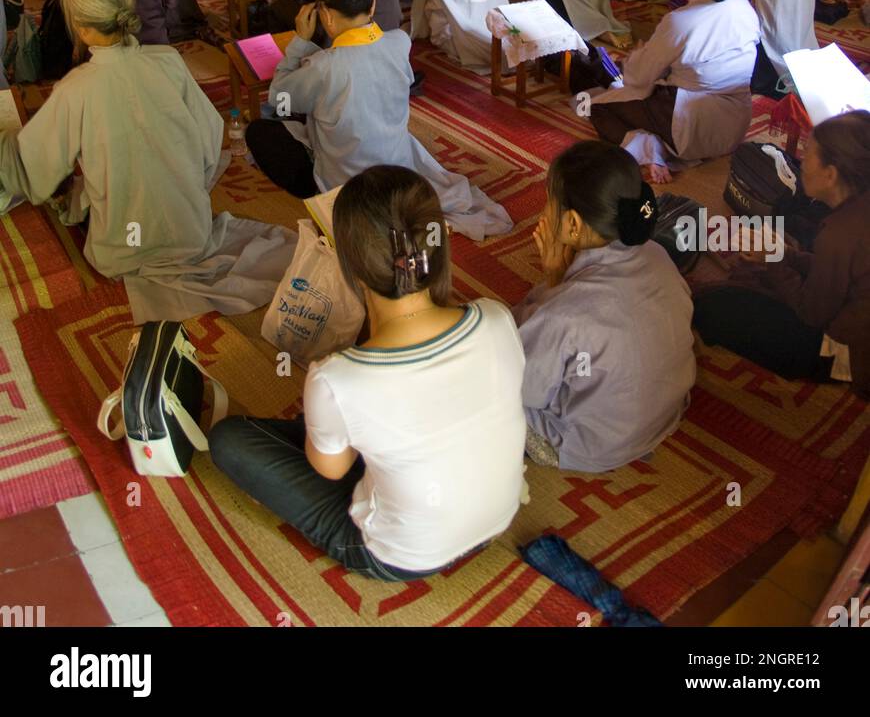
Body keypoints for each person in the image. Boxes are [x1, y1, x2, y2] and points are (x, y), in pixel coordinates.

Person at [210, 165, 526, 580]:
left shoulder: (335, 379)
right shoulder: (496, 316)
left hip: (401, 556)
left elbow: (332, 470)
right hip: (495, 519)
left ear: (351, 266)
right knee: (351, 419)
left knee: (229, 440)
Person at [0, 0, 292, 323]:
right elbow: (209, 143)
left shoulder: (74, 89)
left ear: (80, 27)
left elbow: (32, 170)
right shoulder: (169, 60)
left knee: (67, 188)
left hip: (121, 251)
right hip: (192, 231)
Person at [246, 0, 512, 240]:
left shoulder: (322, 66)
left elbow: (280, 99)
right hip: (395, 166)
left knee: (260, 131)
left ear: (324, 15)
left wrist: (301, 42)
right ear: (372, 6)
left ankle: (319, 194)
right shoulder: (399, 42)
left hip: (346, 185)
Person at [513, 142, 695, 472]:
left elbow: (523, 388)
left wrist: (554, 280)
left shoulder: (563, 313)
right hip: (666, 414)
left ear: (571, 225)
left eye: (549, 204)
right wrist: (558, 284)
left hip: (594, 446)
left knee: (481, 386)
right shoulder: (657, 254)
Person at [693, 112, 870, 394]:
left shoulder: (839, 235)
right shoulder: (854, 213)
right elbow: (845, 270)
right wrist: (785, 255)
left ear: (831, 173)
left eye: (809, 153)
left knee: (714, 307)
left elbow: (811, 313)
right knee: (789, 243)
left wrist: (774, 258)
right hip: (852, 312)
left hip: (851, 357)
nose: (801, 162)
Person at [591, 0, 760, 184]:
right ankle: (658, 143)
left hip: (691, 126)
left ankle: (649, 149)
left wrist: (638, 57)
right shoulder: (744, 5)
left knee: (599, 107)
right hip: (736, 126)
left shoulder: (681, 20)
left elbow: (639, 77)